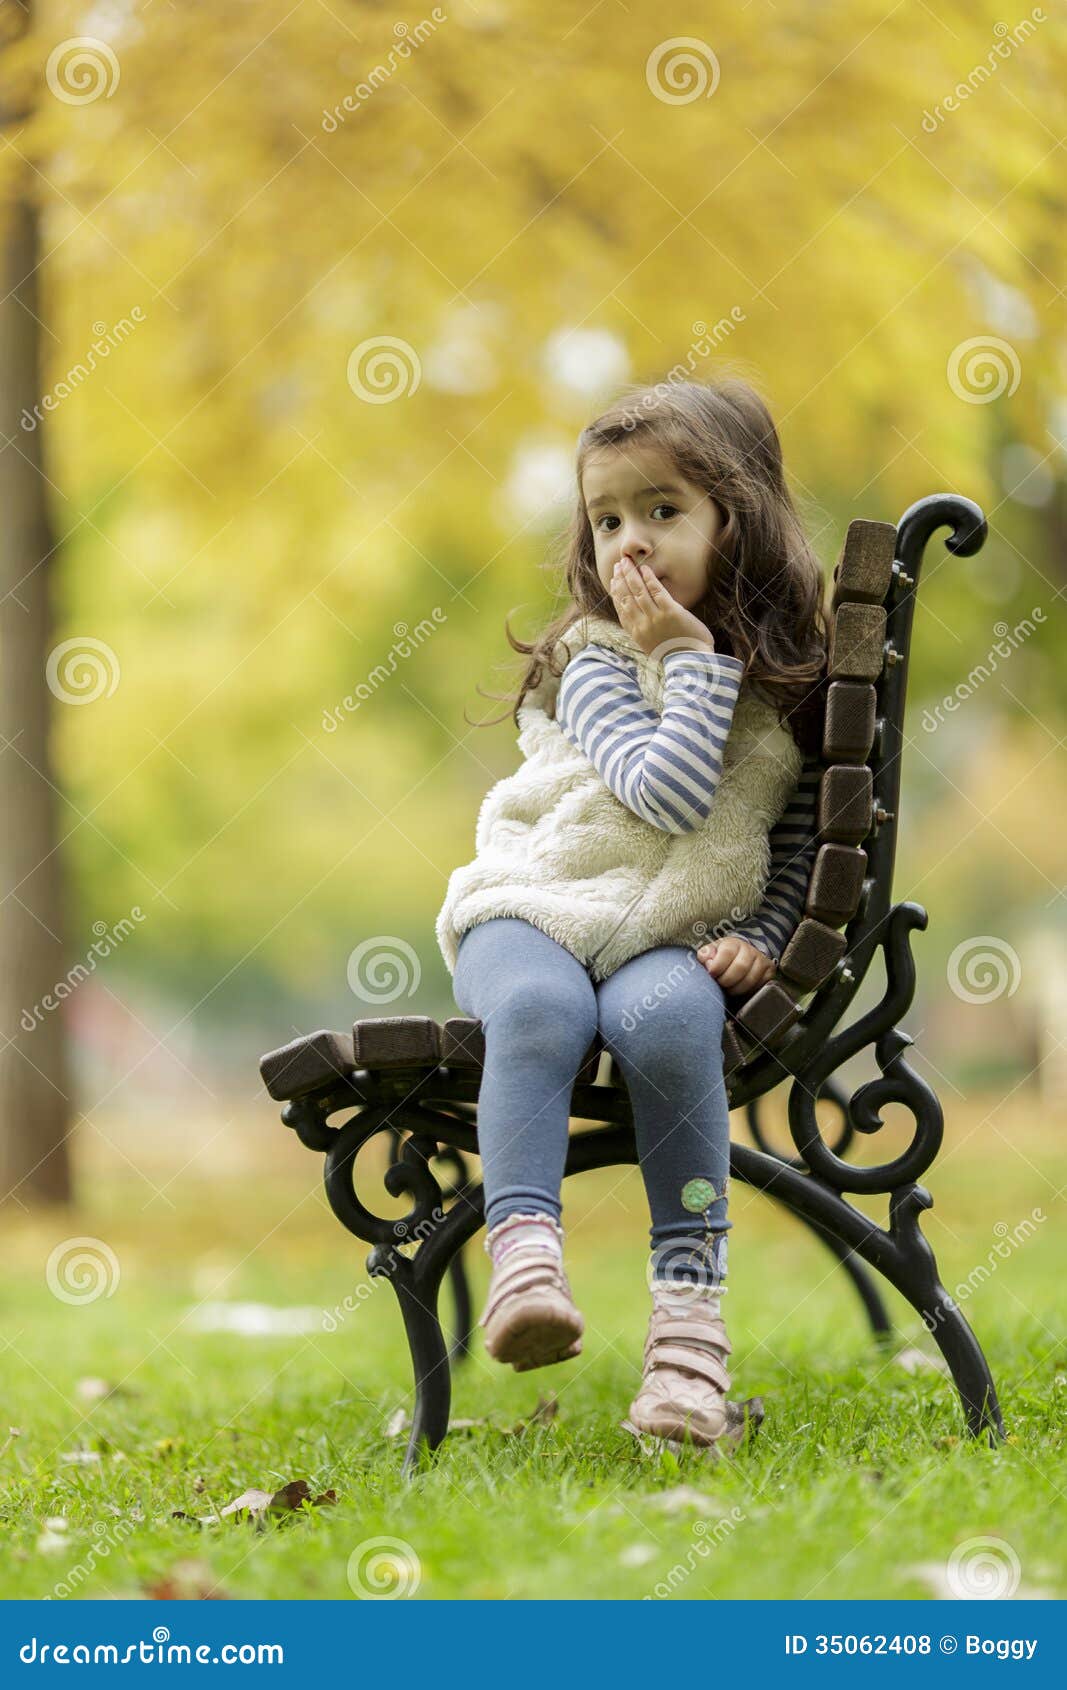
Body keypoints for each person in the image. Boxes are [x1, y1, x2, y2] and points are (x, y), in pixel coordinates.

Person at [434, 377, 828, 1446]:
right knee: (538, 1017)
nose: (630, 546)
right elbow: (662, 789)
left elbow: (789, 842)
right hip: (536, 908)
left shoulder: (782, 685)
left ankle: (687, 1338)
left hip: (670, 938)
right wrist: (682, 664)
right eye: (607, 520)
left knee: (668, 1020)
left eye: (661, 512)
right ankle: (523, 1258)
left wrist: (761, 935)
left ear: (733, 523)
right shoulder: (593, 662)